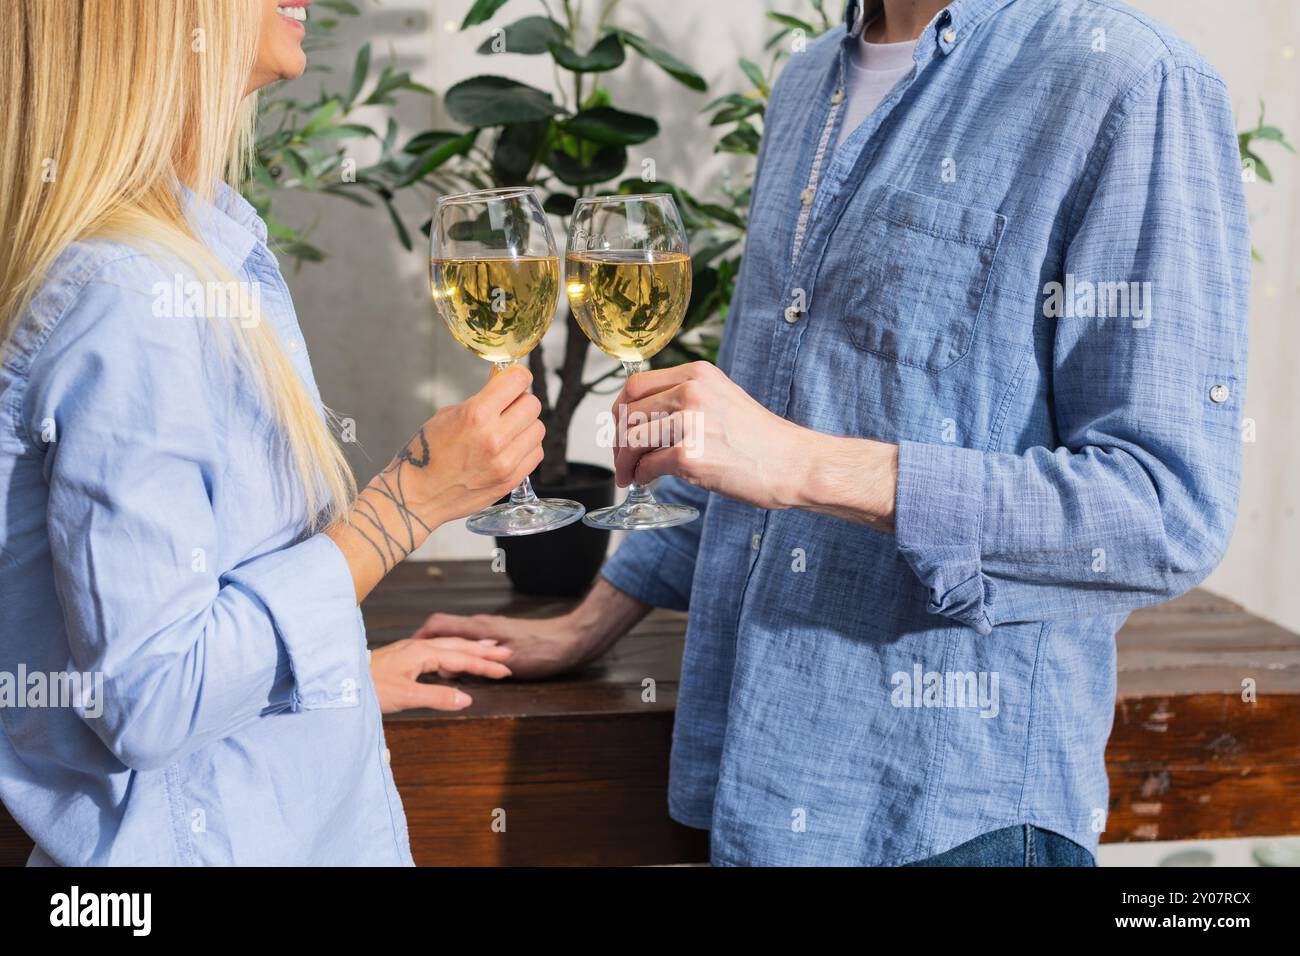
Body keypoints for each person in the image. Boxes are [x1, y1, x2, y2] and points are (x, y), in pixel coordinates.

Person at [423, 0, 1250, 866]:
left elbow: (1165, 510)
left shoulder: (1127, 78)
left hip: (950, 819)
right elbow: (755, 433)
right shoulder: (808, 80)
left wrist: (807, 466)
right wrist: (589, 624)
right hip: (740, 786)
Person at [0, 0, 539, 865]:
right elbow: (153, 697)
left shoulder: (195, 246)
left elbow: (153, 625)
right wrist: (405, 506)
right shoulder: (129, 298)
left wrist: (329, 681)